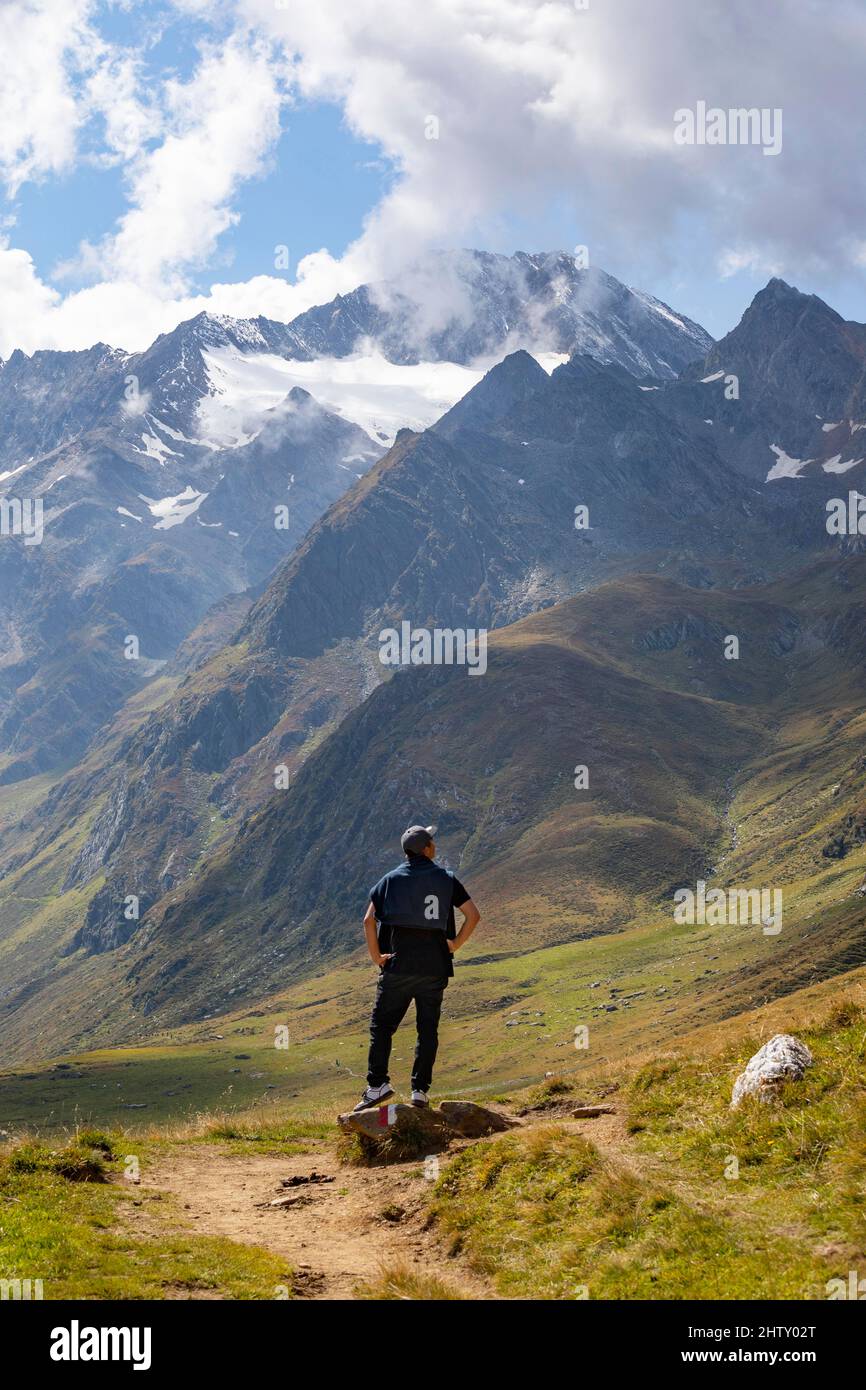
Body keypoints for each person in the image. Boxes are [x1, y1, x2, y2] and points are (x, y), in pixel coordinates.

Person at [353, 825, 480, 1111]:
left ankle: (377, 1086)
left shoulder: (390, 880)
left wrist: (376, 956)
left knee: (383, 1026)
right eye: (432, 841)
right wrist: (454, 944)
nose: (434, 844)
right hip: (435, 966)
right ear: (427, 848)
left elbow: (368, 921)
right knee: (428, 1029)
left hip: (398, 965)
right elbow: (473, 915)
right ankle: (419, 1091)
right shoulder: (446, 879)